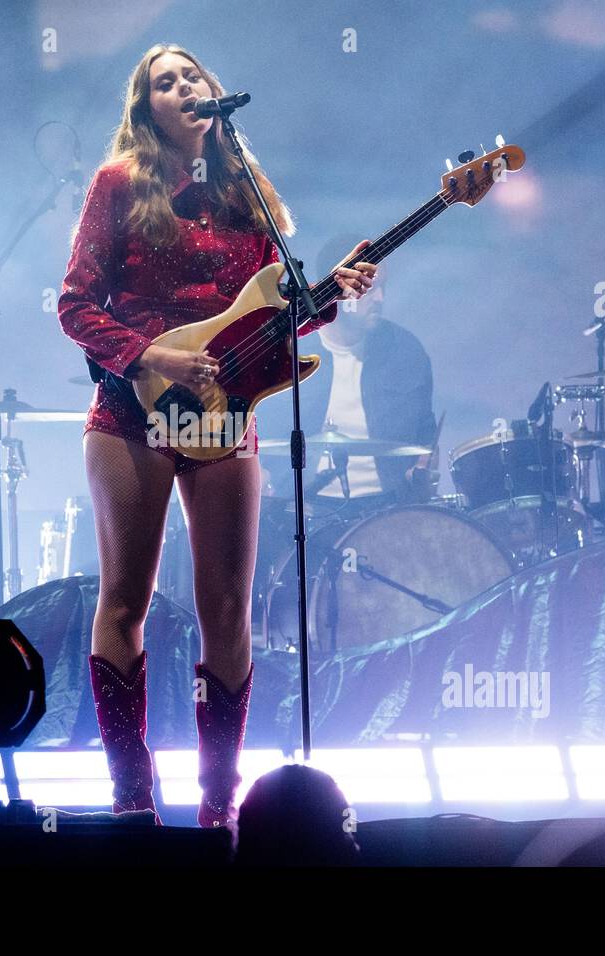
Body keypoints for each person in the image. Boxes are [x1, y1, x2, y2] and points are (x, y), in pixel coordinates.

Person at [57, 43, 376, 829]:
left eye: (190, 75)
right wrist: (150, 353)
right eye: (163, 83)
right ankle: (132, 798)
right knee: (125, 599)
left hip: (227, 415)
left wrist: (335, 293)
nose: (181, 87)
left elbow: (276, 317)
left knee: (227, 608)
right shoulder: (118, 186)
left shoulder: (247, 194)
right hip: (132, 411)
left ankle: (217, 806)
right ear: (147, 110)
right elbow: (74, 304)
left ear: (214, 92)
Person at [260, 235, 438, 505]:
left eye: (383, 288)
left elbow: (425, 432)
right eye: (370, 287)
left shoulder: (405, 351)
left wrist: (424, 465)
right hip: (302, 503)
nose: (378, 298)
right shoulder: (290, 350)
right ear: (338, 286)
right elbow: (256, 421)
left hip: (388, 503)